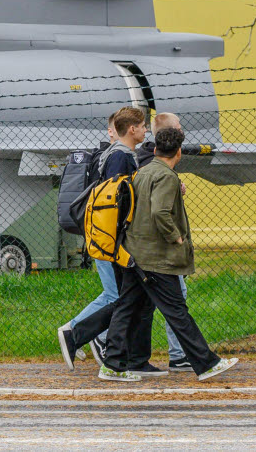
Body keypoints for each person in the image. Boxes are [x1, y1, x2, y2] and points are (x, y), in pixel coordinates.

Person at [93, 126, 238, 382]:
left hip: (133, 253)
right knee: (176, 311)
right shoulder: (167, 177)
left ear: (156, 149)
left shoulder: (143, 172)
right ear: (178, 152)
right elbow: (159, 212)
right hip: (155, 258)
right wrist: (176, 236)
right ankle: (206, 363)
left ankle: (112, 364)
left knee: (126, 306)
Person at [57, 107, 153, 371]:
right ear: (131, 129)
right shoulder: (120, 157)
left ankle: (105, 345)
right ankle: (80, 334)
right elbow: (114, 201)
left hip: (111, 238)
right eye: (143, 125)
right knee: (120, 295)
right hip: (114, 239)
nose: (146, 130)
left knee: (126, 296)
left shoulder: (119, 155)